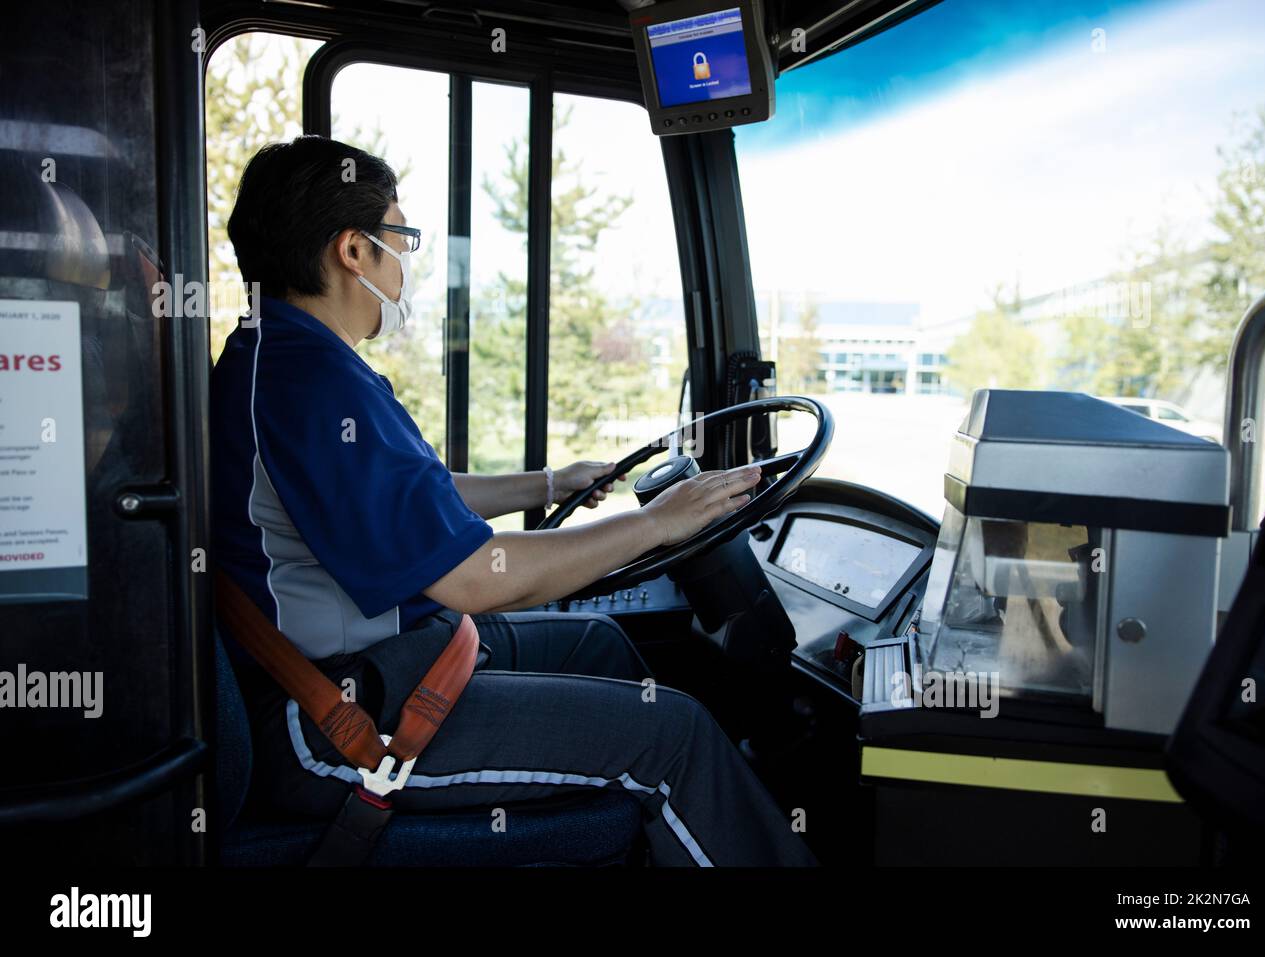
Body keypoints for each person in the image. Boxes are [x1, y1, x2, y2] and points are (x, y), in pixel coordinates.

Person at [210, 135, 817, 866]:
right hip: (330, 721)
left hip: (385, 660)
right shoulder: (311, 384)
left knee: (599, 643)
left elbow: (416, 501)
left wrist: (551, 483)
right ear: (352, 251)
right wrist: (656, 521)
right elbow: (473, 578)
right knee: (675, 735)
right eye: (398, 239)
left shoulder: (282, 355)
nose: (404, 264)